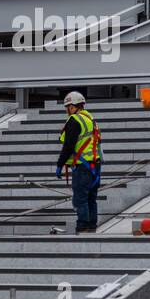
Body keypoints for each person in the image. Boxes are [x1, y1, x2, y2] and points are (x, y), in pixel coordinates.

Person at [55, 90, 102, 233]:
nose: (67, 111)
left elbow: (68, 145)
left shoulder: (74, 120)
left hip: (83, 167)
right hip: (95, 166)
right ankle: (92, 226)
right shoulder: (90, 120)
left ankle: (82, 227)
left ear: (73, 106)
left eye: (67, 107)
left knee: (80, 199)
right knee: (91, 199)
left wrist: (60, 164)